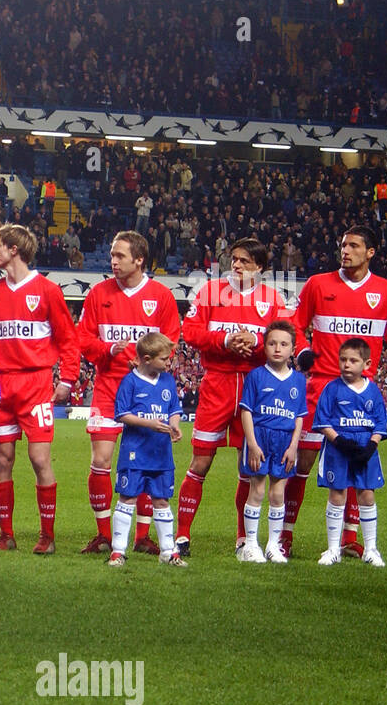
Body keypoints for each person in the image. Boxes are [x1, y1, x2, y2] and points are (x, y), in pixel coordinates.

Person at [284, 226, 387, 559]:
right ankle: (284, 534)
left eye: (354, 245)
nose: (346, 250)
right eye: (342, 245)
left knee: (358, 461)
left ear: (370, 252)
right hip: (321, 385)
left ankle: (351, 539)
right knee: (303, 463)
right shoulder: (318, 284)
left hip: (362, 392)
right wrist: (301, 350)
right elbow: (295, 323)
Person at [175, 237, 288, 558]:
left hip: (256, 389)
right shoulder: (209, 292)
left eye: (244, 261)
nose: (236, 266)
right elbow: (191, 332)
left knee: (250, 466)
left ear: (260, 268)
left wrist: (257, 339)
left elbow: (287, 336)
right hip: (217, 385)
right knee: (200, 461)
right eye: (233, 259)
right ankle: (182, 535)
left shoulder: (273, 299)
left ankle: (243, 539)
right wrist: (226, 340)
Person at [76, 231, 181, 554]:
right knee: (101, 461)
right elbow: (83, 340)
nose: (113, 260)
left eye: (120, 255)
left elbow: (172, 344)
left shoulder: (161, 296)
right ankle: (104, 534)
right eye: (112, 254)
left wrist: (147, 364)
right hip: (108, 388)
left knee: (148, 462)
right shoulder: (98, 294)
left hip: (148, 392)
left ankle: (143, 537)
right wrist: (109, 348)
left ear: (139, 259)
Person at [0, 223, 79, 554]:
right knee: (3, 458)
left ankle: (47, 536)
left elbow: (67, 338)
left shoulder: (48, 291)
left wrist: (67, 379)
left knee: (39, 458)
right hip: (0, 386)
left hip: (35, 383)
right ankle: (6, 535)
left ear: (14, 250)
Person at [106, 333, 185, 567]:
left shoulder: (168, 381)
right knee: (128, 498)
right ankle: (118, 552)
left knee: (162, 500)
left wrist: (175, 426)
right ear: (147, 359)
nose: (169, 363)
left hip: (161, 454)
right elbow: (121, 414)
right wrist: (149, 423)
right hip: (135, 453)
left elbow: (174, 408)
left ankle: (168, 552)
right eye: (165, 359)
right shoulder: (129, 382)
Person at [312, 338, 387, 567]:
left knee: (367, 494)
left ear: (366, 364)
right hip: (338, 448)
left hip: (365, 448)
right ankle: (333, 549)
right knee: (337, 494)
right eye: (343, 359)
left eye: (353, 360)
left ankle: (371, 549)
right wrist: (340, 441)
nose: (347, 364)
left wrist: (371, 446)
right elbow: (322, 421)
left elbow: (379, 424)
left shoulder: (373, 391)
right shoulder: (332, 388)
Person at [237, 321, 307, 564]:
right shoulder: (256, 376)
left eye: (284, 344)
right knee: (256, 490)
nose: (278, 348)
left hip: (285, 441)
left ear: (293, 349)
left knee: (278, 494)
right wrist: (253, 444)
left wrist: (294, 446)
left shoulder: (298, 380)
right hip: (260, 437)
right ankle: (251, 545)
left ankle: (273, 546)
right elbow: (246, 411)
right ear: (265, 347)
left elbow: (299, 417)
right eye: (272, 343)